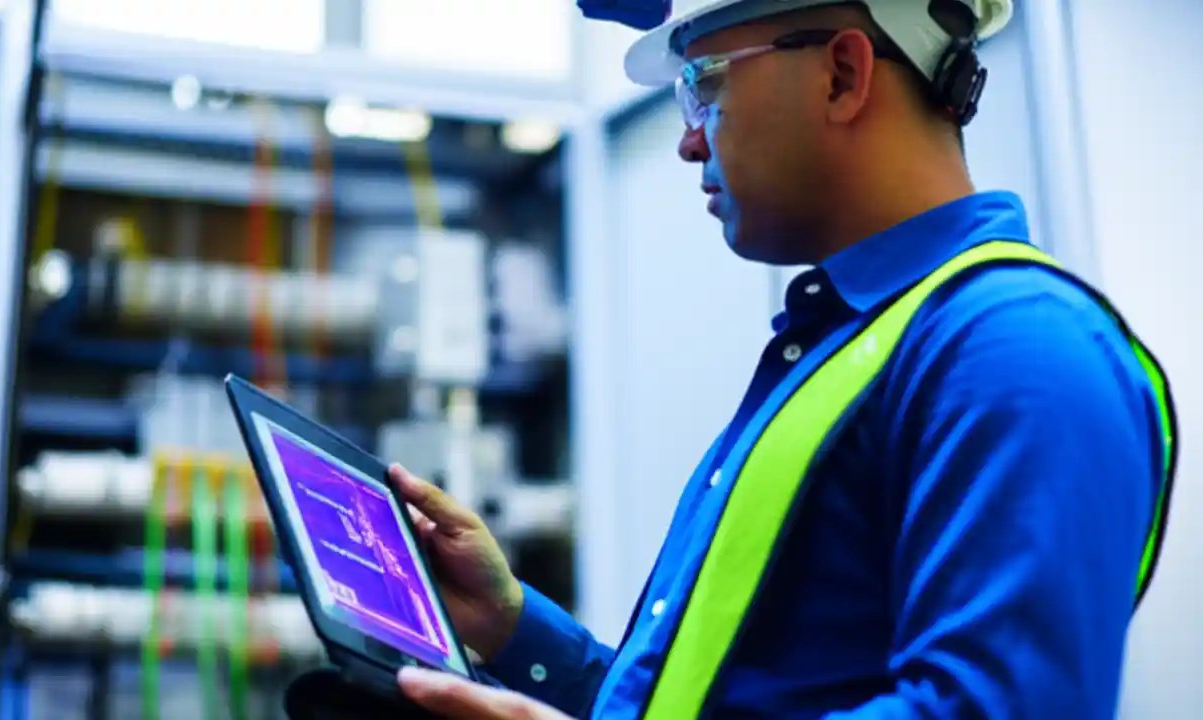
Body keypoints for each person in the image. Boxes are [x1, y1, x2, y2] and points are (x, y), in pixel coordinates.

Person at [388, 0, 1178, 717]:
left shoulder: (1013, 351)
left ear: (842, 74)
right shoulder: (852, 343)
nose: (689, 138)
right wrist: (516, 628)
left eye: (703, 84)